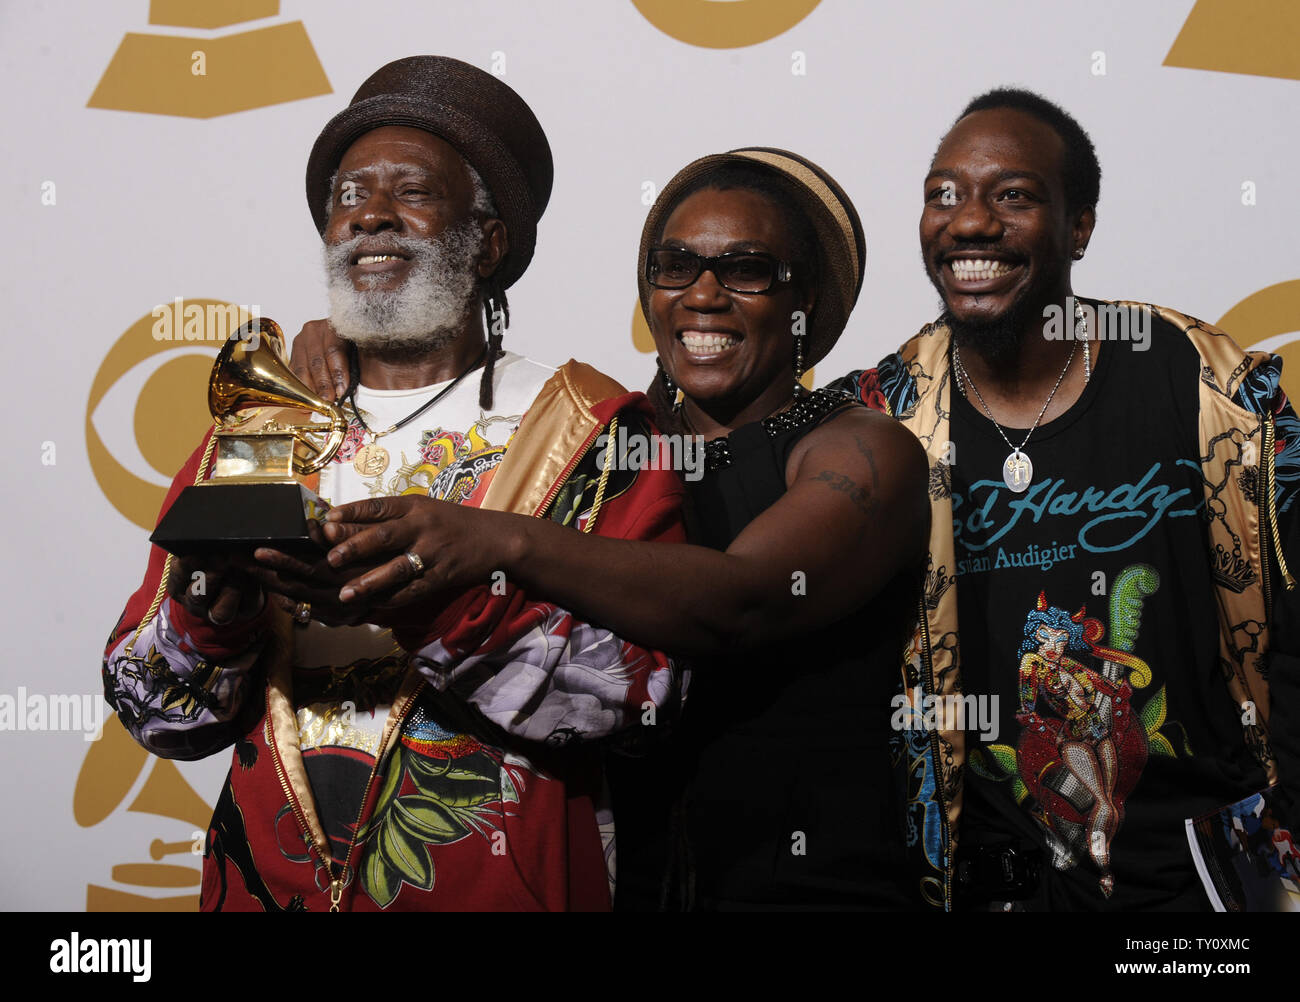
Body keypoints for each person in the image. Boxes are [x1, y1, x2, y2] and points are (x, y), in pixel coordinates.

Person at [102, 55, 687, 912]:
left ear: (487, 240)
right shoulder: (264, 422)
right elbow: (155, 709)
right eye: (346, 196)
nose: (369, 215)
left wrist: (425, 600)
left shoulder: (589, 431)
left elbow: (640, 701)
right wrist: (215, 606)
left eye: (411, 190)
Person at [291, 149, 932, 910]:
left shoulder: (861, 449)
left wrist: (503, 541)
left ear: (807, 297)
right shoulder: (604, 447)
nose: (703, 294)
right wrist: (360, 344)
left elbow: (743, 600)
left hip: (813, 891)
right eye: (676, 265)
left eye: (746, 269)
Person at [831, 87, 1300, 910]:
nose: (969, 223)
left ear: (1078, 226)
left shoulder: (1208, 387)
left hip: (1200, 886)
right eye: (944, 194)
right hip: (987, 890)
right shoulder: (880, 417)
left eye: (1012, 196)